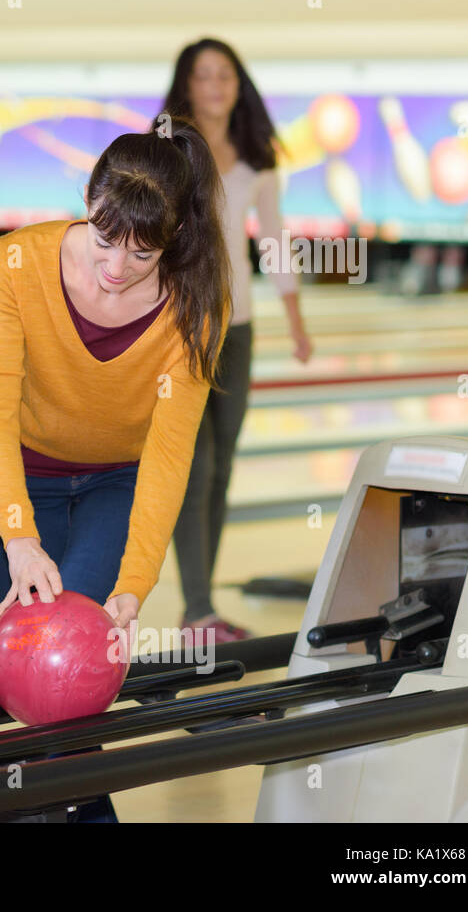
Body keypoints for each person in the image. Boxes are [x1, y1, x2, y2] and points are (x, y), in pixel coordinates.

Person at [0, 120, 231, 821]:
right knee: (39, 684)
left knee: (70, 673)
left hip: (116, 481)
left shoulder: (195, 306)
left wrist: (134, 586)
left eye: (143, 251)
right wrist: (19, 535)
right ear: (87, 197)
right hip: (23, 479)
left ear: (174, 239)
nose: (115, 265)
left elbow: (171, 454)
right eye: (104, 236)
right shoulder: (17, 262)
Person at [161, 38, 314, 641]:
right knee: (193, 468)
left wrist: (297, 321)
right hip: (176, 329)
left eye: (225, 74)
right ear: (189, 85)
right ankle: (199, 611)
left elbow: (273, 241)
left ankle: (201, 608)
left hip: (238, 326)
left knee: (222, 466)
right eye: (204, 75)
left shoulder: (256, 155)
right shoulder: (169, 146)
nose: (216, 84)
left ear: (237, 83)